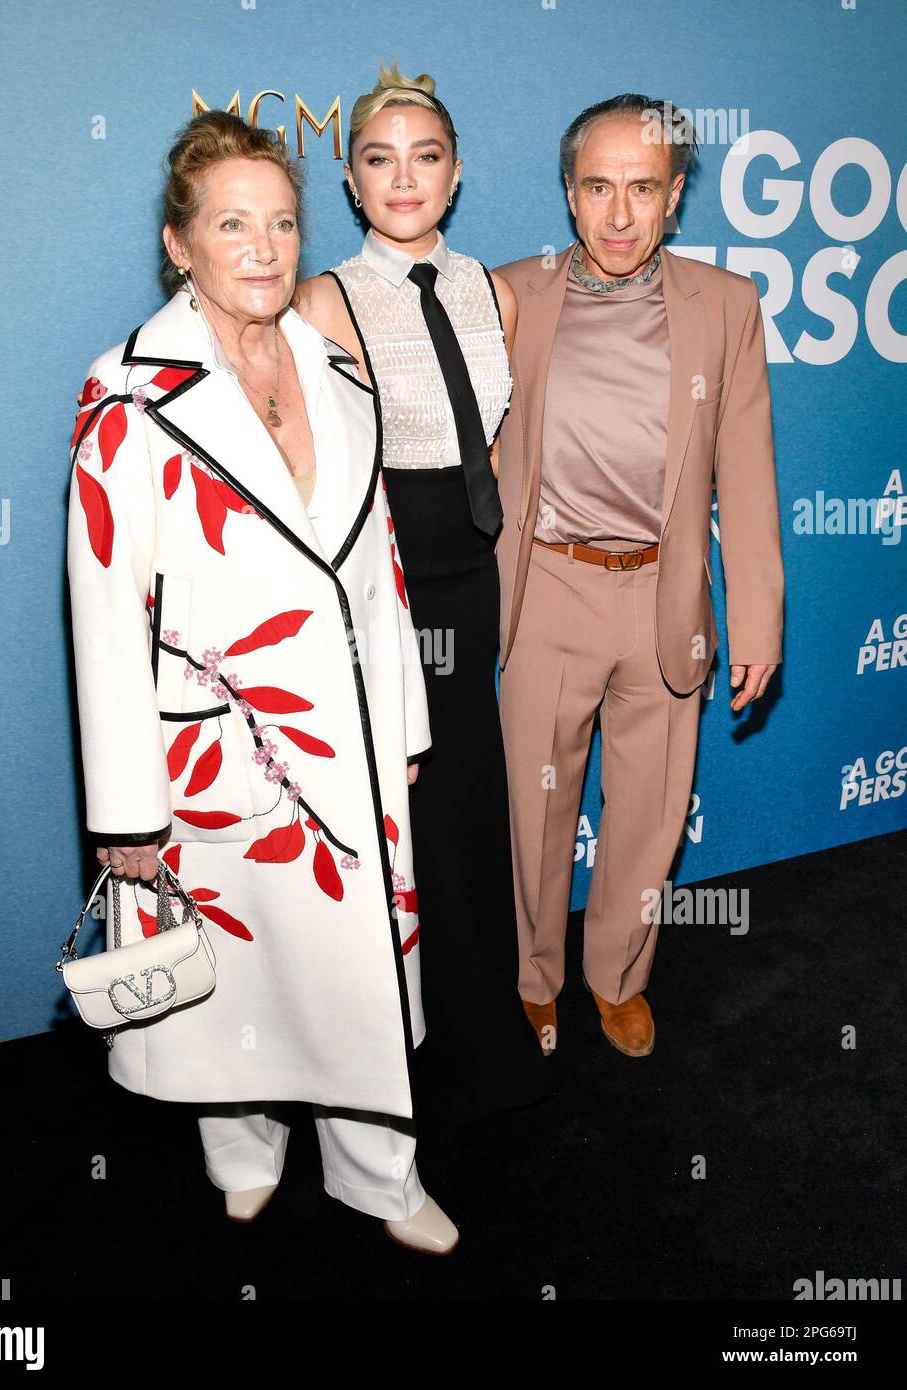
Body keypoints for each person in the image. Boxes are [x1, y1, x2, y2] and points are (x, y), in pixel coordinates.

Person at [66, 109, 458, 1253]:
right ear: (179, 243)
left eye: (281, 221)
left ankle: (381, 1174)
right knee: (232, 971)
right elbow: (102, 607)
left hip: (352, 750)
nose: (263, 246)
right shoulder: (124, 393)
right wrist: (127, 813)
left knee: (363, 977)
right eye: (232, 223)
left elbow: (377, 564)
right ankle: (239, 1149)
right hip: (216, 752)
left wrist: (405, 719)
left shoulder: (339, 367)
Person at [493, 94, 784, 1057]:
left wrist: (762, 615)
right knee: (534, 810)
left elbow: (746, 472)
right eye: (599, 187)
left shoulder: (727, 306)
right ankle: (534, 979)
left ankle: (616, 976)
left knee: (651, 811)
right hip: (547, 590)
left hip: (667, 594)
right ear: (570, 196)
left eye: (644, 189)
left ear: (676, 197)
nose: (620, 215)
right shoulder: (509, 297)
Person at [297, 63, 551, 1125]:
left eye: (427, 156)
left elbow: (496, 441)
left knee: (464, 797)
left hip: (472, 571)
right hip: (384, 587)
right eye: (379, 159)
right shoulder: (323, 299)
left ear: (457, 174)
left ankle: (479, 1013)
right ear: (352, 185)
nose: (405, 178)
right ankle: (384, 1046)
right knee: (388, 810)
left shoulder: (493, 290)